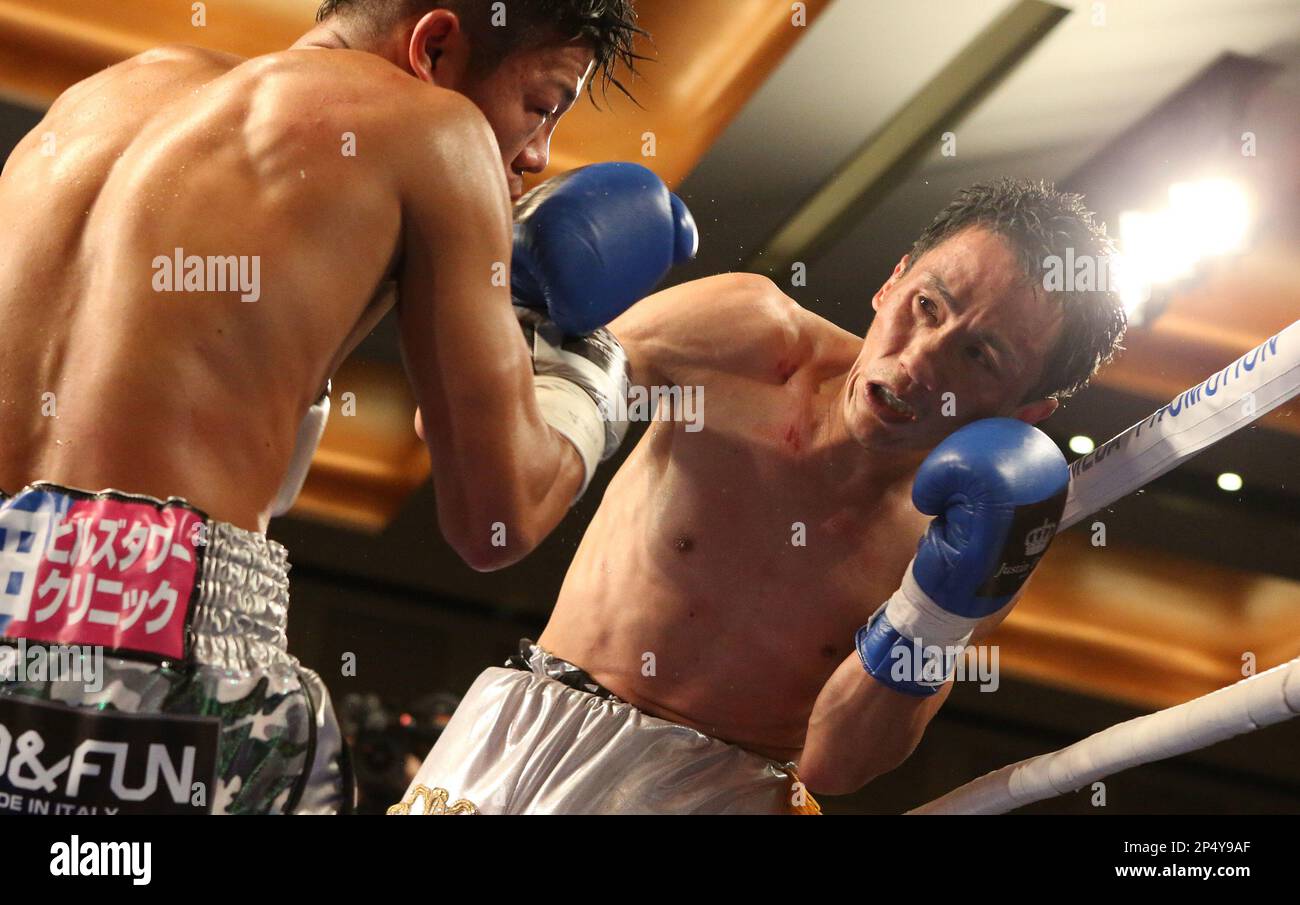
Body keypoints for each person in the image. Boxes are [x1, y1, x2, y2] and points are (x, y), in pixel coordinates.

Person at [0, 0, 654, 814]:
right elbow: (499, 513)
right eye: (542, 106)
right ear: (437, 43)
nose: (537, 156)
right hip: (154, 634)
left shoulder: (102, 98)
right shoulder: (436, 131)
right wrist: (586, 378)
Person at [398, 178, 1129, 814]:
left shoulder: (979, 528)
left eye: (980, 355)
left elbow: (836, 766)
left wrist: (932, 614)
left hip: (722, 795)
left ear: (1027, 413)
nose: (915, 363)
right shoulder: (749, 337)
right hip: (529, 729)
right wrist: (516, 317)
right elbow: (492, 460)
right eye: (928, 305)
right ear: (892, 279)